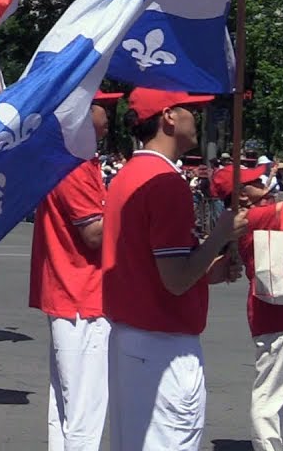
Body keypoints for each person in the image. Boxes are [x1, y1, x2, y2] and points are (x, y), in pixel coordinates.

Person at [102, 88, 249, 450]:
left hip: (130, 338)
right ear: (168, 117)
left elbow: (154, 265)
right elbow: (176, 279)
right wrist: (221, 235)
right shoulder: (166, 182)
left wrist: (211, 269)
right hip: (164, 347)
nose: (194, 118)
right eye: (189, 110)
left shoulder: (127, 175)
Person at [30, 91, 117, 451]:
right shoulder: (74, 165)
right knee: (85, 406)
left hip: (73, 291)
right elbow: (94, 234)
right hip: (82, 294)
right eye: (104, 108)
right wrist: (134, 210)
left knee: (69, 403)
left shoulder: (73, 162)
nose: (109, 116)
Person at [223, 145, 283, 451]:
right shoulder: (251, 216)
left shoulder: (249, 214)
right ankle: (267, 445)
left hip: (277, 301)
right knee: (272, 384)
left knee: (280, 380)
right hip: (272, 304)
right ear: (241, 195)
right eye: (252, 182)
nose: (261, 184)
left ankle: (269, 442)